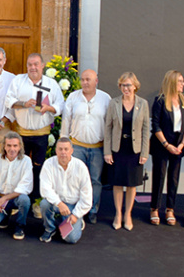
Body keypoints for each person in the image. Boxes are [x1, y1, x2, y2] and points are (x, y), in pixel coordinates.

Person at [5, 53, 64, 201]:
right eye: (30, 64)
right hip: (22, 133)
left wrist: (48, 108)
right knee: (19, 167)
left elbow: (61, 105)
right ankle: (18, 200)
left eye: (36, 64)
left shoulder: (51, 84)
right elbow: (8, 100)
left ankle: (36, 201)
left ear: (42, 65)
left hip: (41, 134)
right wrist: (23, 104)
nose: (33, 67)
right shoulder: (18, 81)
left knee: (38, 168)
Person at [61, 68, 110, 224]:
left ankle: (92, 210)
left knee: (95, 180)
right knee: (75, 179)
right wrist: (63, 145)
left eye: (88, 79)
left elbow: (109, 125)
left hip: (98, 147)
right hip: (77, 147)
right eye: (83, 79)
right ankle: (76, 210)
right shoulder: (73, 97)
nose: (85, 82)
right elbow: (66, 121)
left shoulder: (105, 98)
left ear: (96, 81)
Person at [104, 71, 151, 231]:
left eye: (129, 85)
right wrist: (107, 151)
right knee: (117, 183)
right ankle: (118, 214)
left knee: (132, 184)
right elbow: (108, 128)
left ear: (135, 86)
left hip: (134, 150)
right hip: (117, 149)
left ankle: (128, 214)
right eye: (123, 85)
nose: (126, 88)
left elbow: (146, 129)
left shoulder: (143, 104)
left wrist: (144, 152)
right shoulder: (114, 103)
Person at [150, 69, 184, 226]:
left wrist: (181, 144)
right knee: (159, 177)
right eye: (180, 81)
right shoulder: (160, 100)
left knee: (174, 178)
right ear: (172, 82)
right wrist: (167, 145)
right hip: (162, 145)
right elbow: (156, 125)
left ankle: (170, 209)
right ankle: (154, 209)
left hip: (178, 145)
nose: (183, 84)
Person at [38, 138, 92, 244]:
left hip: (73, 207)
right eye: (60, 149)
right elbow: (45, 189)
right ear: (56, 151)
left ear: (71, 151)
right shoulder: (48, 164)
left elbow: (87, 196)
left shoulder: (80, 167)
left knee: (71, 239)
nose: (63, 152)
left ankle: (77, 221)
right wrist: (59, 203)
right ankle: (50, 228)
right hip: (57, 204)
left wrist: (76, 215)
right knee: (44, 204)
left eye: (66, 149)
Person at [0, 131, 33, 240]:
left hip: (16, 198)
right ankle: (5, 216)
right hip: (0, 197)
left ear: (20, 146)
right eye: (9, 145)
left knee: (25, 200)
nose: (12, 149)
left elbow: (25, 187)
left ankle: (20, 226)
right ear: (4, 147)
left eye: (15, 146)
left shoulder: (26, 161)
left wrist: (4, 199)